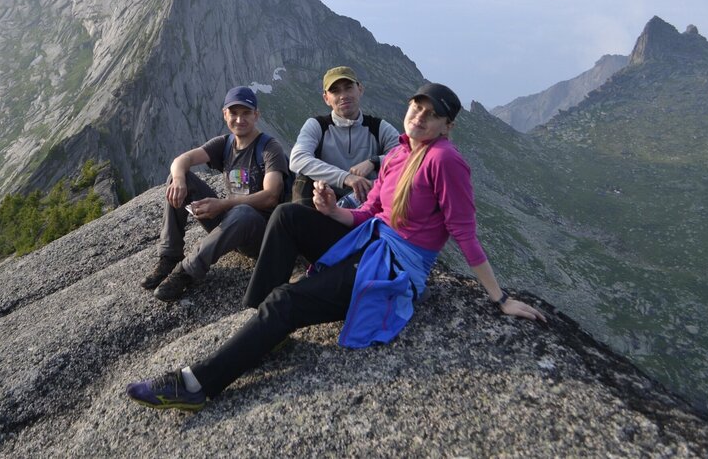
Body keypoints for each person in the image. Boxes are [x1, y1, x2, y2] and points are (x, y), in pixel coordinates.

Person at [127, 82, 546, 410]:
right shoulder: (399, 154)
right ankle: (260, 322)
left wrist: (500, 297)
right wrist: (330, 210)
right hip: (368, 239)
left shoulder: (443, 160)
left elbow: (464, 232)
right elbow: (366, 214)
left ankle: (198, 385)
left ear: (445, 126)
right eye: (417, 107)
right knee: (288, 216)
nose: (419, 116)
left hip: (392, 267)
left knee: (287, 303)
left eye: (431, 114)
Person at [141, 86, 288, 302]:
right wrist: (180, 180)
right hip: (231, 226)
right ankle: (169, 256)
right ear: (225, 114)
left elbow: (271, 196)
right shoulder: (225, 144)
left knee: (244, 213)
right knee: (177, 179)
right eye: (234, 113)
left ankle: (186, 272)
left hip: (261, 235)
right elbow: (181, 161)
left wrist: (222, 205)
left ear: (256, 115)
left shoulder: (269, 148)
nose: (239, 119)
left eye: (246, 113)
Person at [289, 66, 400, 208]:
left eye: (348, 88)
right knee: (301, 183)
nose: (343, 96)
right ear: (326, 98)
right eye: (335, 91)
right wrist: (346, 178)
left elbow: (407, 157)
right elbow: (297, 159)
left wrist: (375, 161)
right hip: (323, 202)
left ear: (360, 89)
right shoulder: (317, 125)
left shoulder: (379, 127)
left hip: (367, 205)